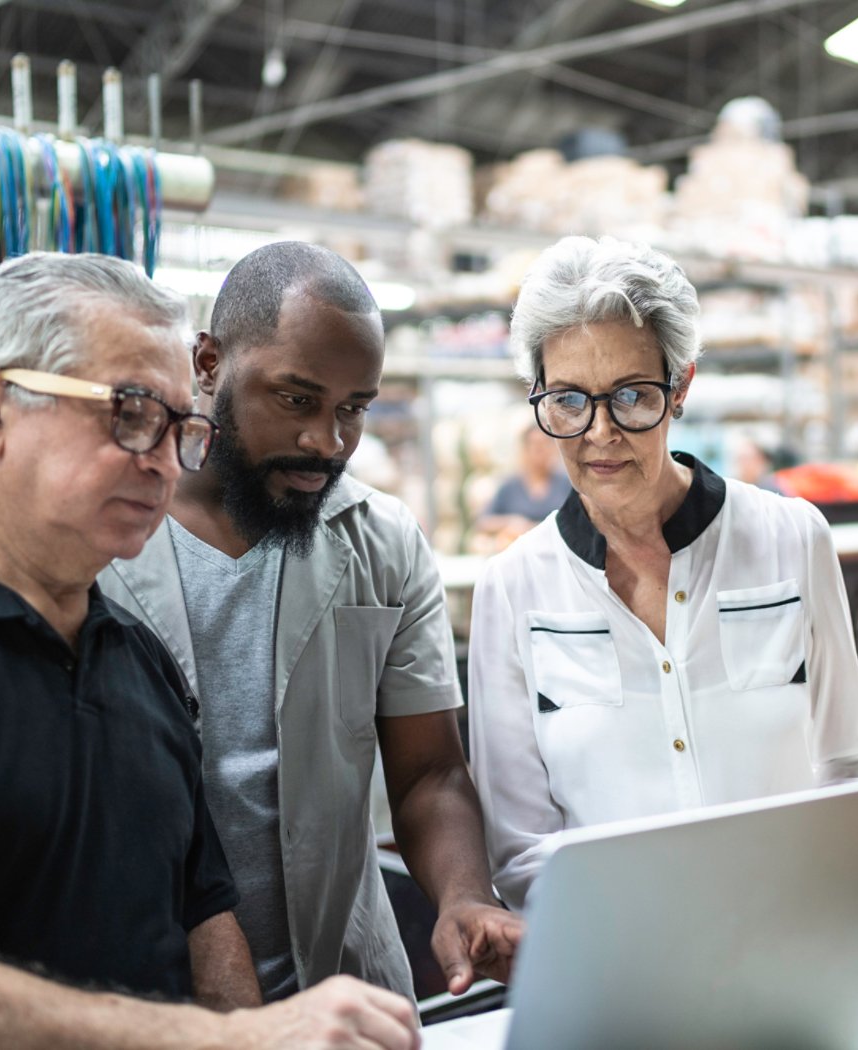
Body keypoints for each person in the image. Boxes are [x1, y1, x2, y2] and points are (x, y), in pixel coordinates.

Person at [0, 252, 419, 1048]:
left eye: (181, 429)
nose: (161, 461)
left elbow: (206, 926)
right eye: (130, 413)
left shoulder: (138, 665)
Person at [100, 242, 522, 1003]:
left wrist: (464, 894)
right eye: (296, 399)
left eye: (353, 409)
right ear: (207, 364)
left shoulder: (383, 542)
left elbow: (429, 772)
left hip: (343, 988)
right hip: (149, 1003)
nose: (326, 443)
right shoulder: (104, 535)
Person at [467, 237, 858, 910]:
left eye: (631, 396)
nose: (600, 432)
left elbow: (849, 767)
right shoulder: (514, 588)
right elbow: (521, 846)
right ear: (536, 395)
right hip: (615, 973)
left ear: (681, 385)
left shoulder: (791, 540)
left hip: (793, 938)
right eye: (569, 402)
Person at [473, 423, 573, 545]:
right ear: (525, 449)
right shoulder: (509, 487)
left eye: (545, 444)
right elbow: (483, 522)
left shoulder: (566, 484)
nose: (540, 450)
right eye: (535, 445)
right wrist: (511, 522)